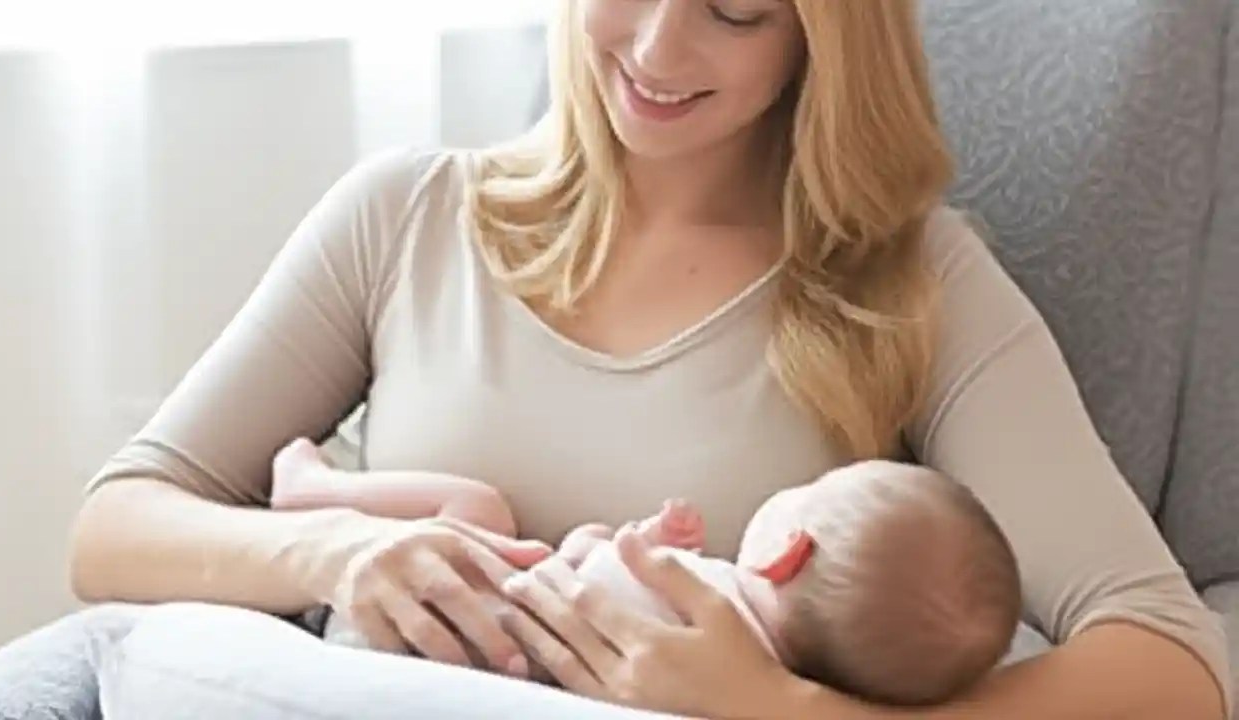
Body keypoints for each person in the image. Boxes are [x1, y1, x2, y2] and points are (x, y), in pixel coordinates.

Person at [69, 0, 1232, 717]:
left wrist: (782, 712)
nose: (658, 45)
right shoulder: (405, 219)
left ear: (821, 32)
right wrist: (339, 551)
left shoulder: (909, 283)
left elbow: (1169, 667)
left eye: (734, 10)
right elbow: (116, 527)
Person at [275, 441, 1022, 706]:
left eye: (812, 489)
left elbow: (583, 562)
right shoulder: (752, 673)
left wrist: (631, 539)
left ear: (787, 551)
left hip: (423, 615)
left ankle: (314, 493)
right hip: (450, 659)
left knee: (478, 509)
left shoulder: (697, 592)